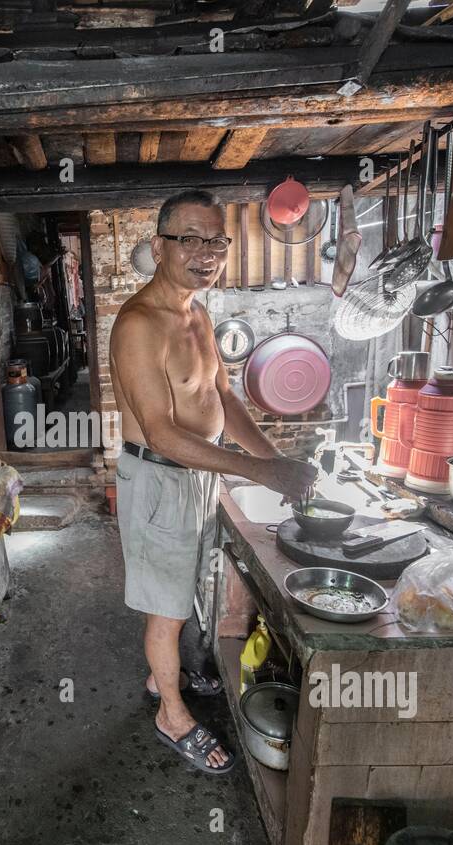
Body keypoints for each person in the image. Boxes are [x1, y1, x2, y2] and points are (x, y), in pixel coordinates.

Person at [108, 189, 317, 775]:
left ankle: (161, 676)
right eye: (190, 239)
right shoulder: (139, 325)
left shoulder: (197, 310)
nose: (206, 253)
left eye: (216, 240)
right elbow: (162, 434)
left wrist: (274, 460)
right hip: (161, 478)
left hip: (201, 474)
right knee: (166, 610)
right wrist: (260, 471)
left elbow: (223, 395)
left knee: (183, 590)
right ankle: (171, 715)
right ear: (160, 246)